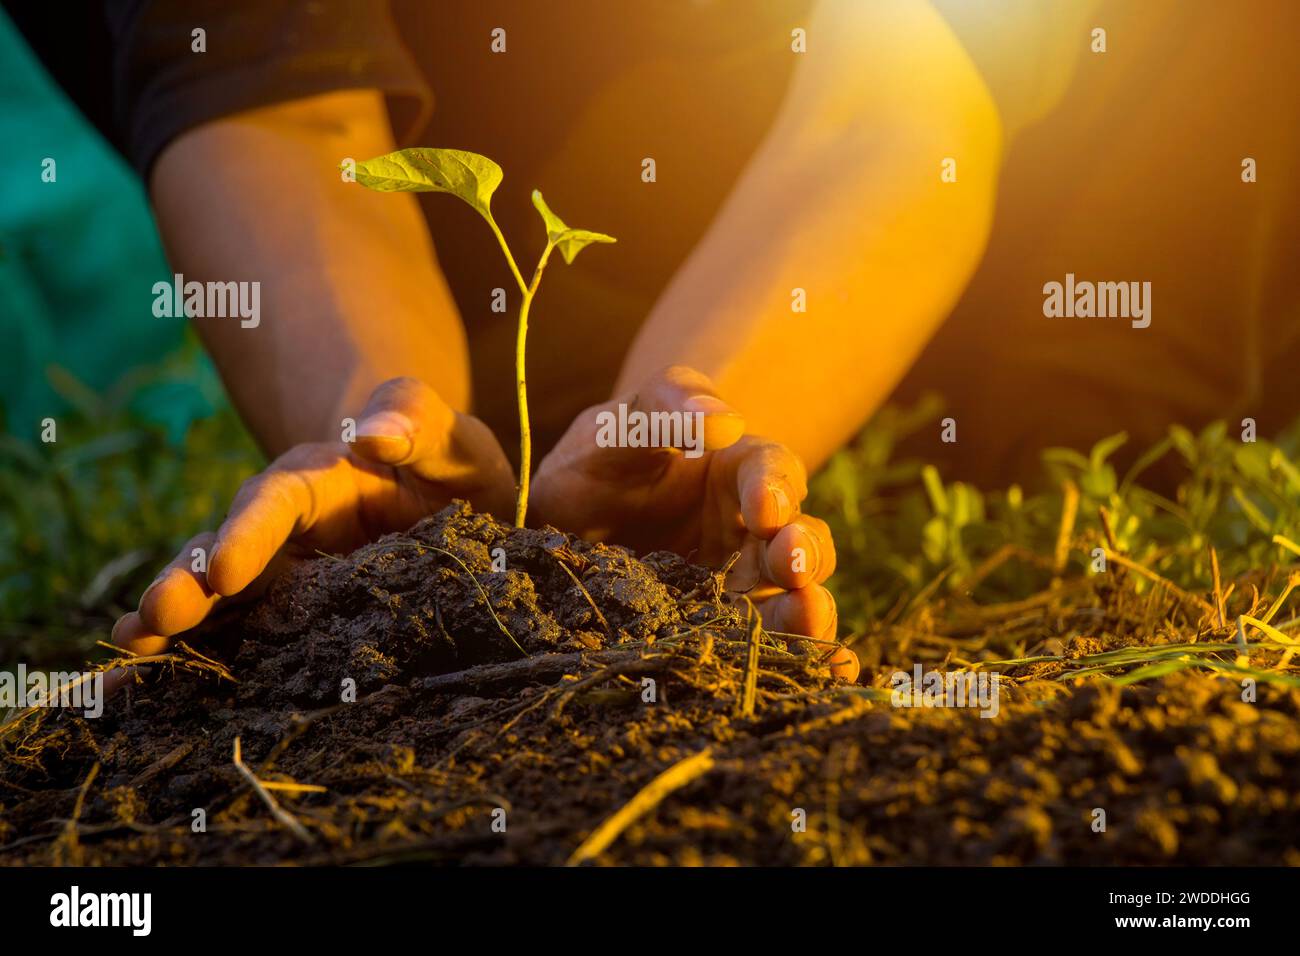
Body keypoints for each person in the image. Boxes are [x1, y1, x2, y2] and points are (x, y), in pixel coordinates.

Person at [8, 1, 1297, 681]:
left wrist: (699, 411)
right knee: (562, 448)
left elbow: (889, 96)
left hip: (975, 162)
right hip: (519, 174)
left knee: (1082, 407)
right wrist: (375, 420)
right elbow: (273, 93)